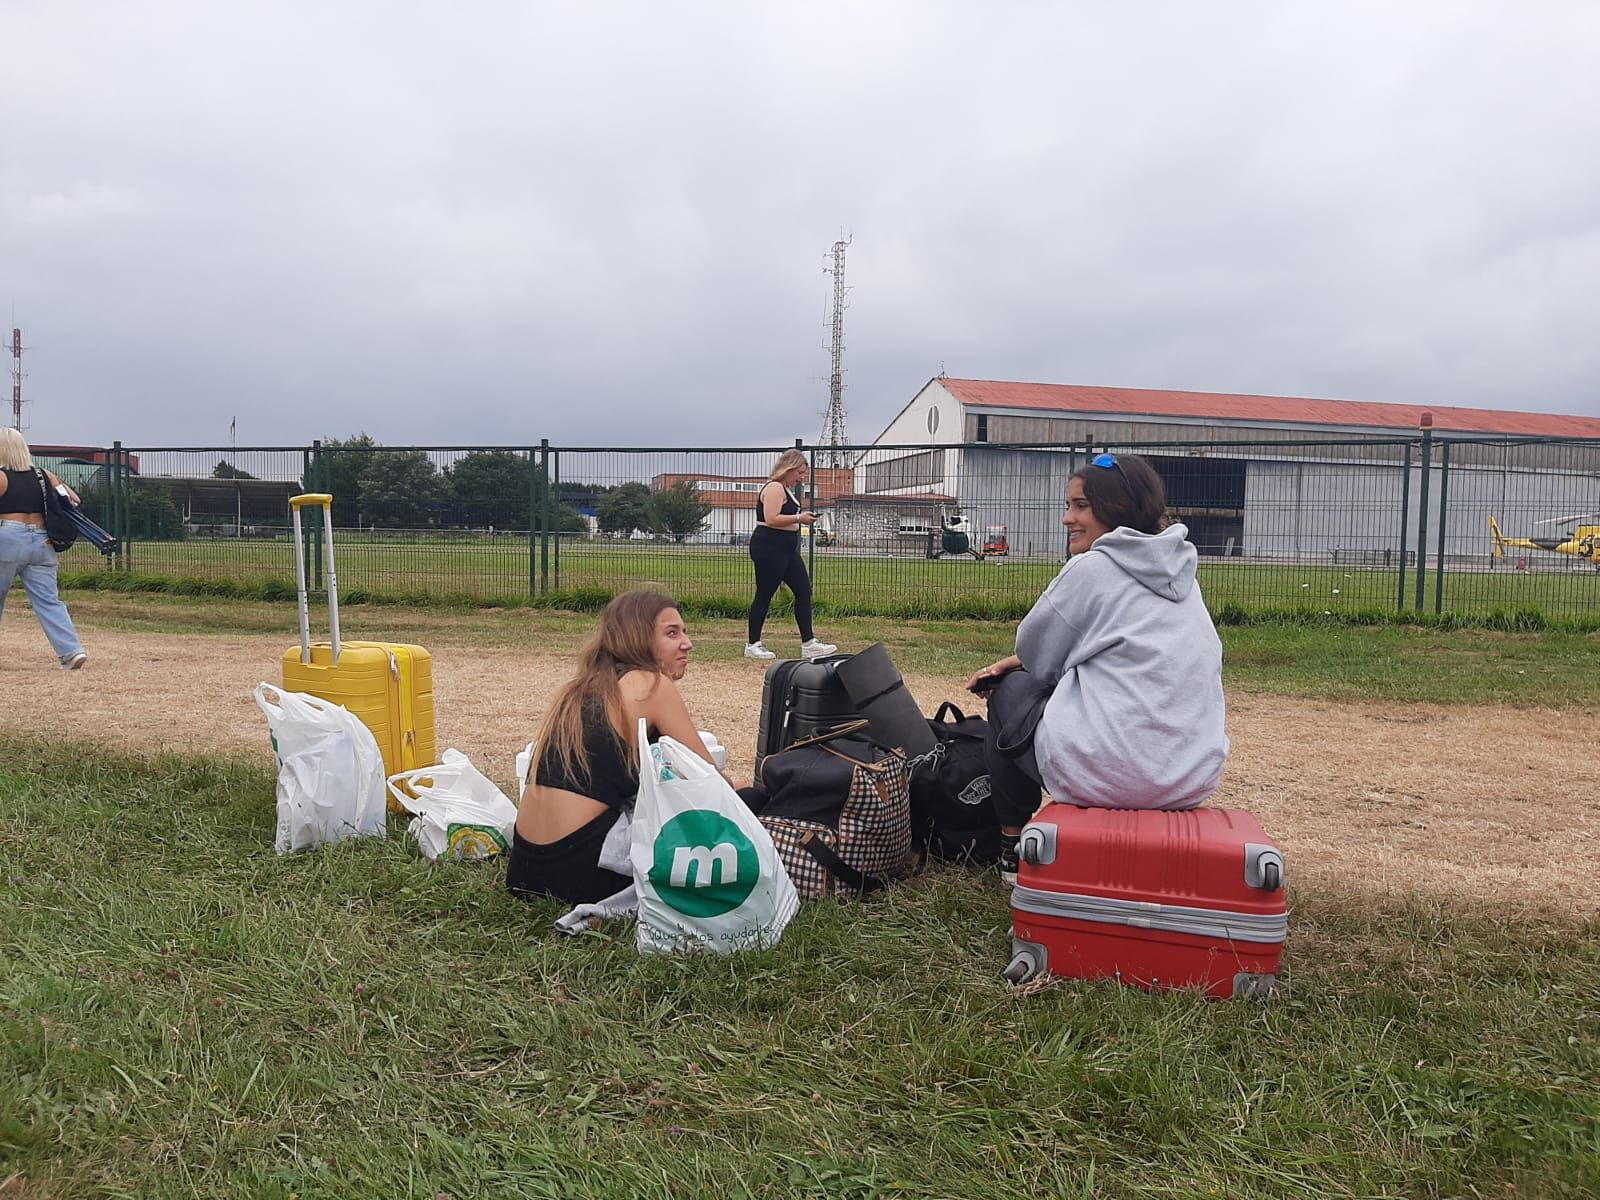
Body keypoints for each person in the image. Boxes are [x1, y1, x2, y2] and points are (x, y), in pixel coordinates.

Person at [965, 453, 1228, 880]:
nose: (1068, 518)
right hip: (1188, 779)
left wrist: (1011, 667)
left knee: (1011, 691)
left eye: (1081, 506)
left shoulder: (1094, 567)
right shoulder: (1181, 572)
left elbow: (1036, 657)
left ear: (1117, 508)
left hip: (1113, 779)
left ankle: (1012, 849)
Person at [507, 589, 723, 904]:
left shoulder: (583, 688)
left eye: (685, 632)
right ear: (639, 639)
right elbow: (711, 784)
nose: (687, 643)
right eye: (672, 633)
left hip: (526, 869)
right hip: (577, 872)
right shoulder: (650, 684)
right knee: (747, 803)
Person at [0, 427, 88, 670]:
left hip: (7, 537)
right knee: (49, 601)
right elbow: (74, 499)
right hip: (42, 541)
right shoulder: (43, 475)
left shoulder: (1, 476)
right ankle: (71, 651)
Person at [744, 448, 837, 661]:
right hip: (769, 547)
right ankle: (752, 643)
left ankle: (809, 642)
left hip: (786, 549)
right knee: (765, 594)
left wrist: (800, 518)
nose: (801, 478)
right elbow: (771, 518)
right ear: (789, 468)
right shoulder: (774, 488)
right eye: (800, 473)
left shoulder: (786, 489)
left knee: (803, 590)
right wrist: (799, 518)